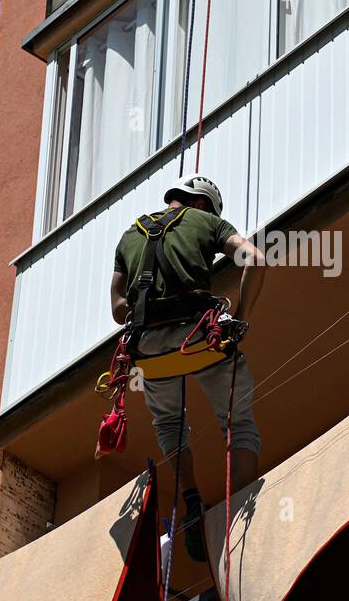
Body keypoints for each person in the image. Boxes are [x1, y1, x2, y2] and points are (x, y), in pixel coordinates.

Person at [110, 174, 265, 562]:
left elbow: (116, 310)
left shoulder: (130, 235)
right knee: (238, 421)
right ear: (201, 204)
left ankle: (191, 499)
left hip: (149, 354)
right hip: (200, 339)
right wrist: (241, 317)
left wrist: (153, 310)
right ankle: (239, 506)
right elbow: (256, 260)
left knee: (170, 425)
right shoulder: (207, 222)